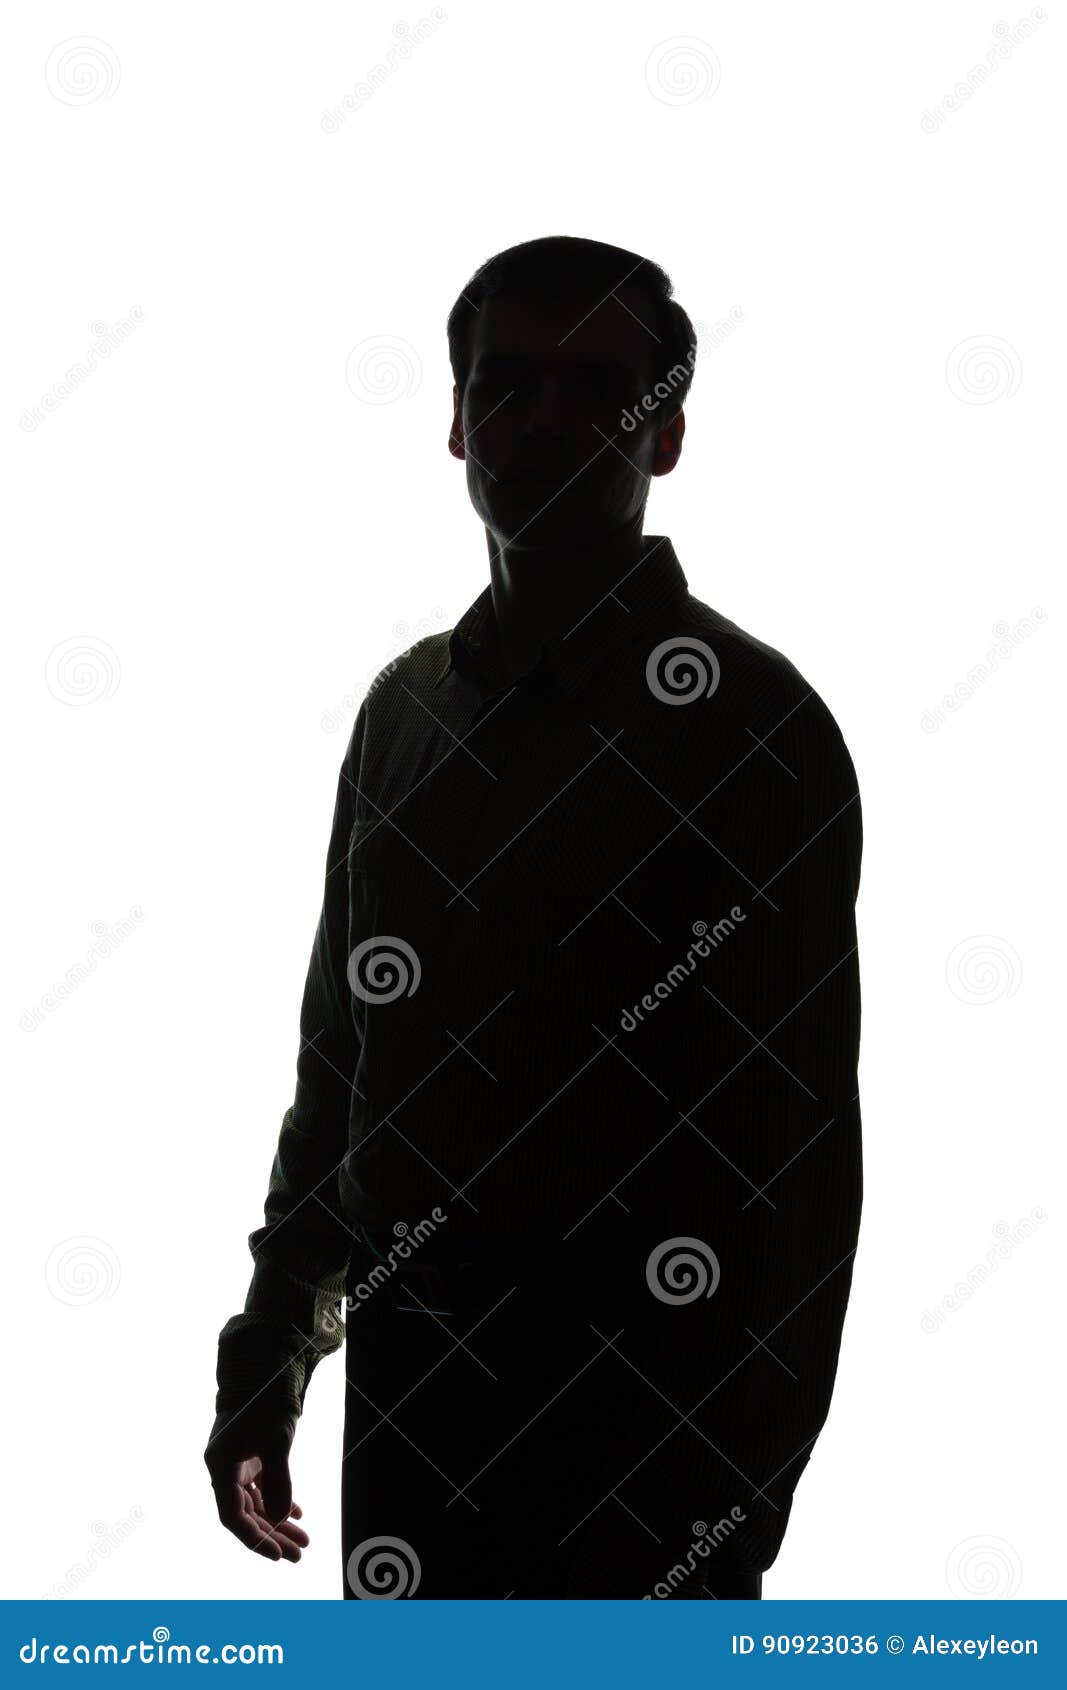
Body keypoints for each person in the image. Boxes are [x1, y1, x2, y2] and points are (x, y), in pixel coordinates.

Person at [204, 236, 863, 1600]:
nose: (543, 417)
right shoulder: (403, 717)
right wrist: (268, 1365)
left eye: (593, 385)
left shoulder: (754, 730)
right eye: (506, 383)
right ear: (453, 420)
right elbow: (343, 1084)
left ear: (665, 430)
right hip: (414, 1464)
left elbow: (796, 1182)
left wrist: (719, 1524)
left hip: (644, 1499)